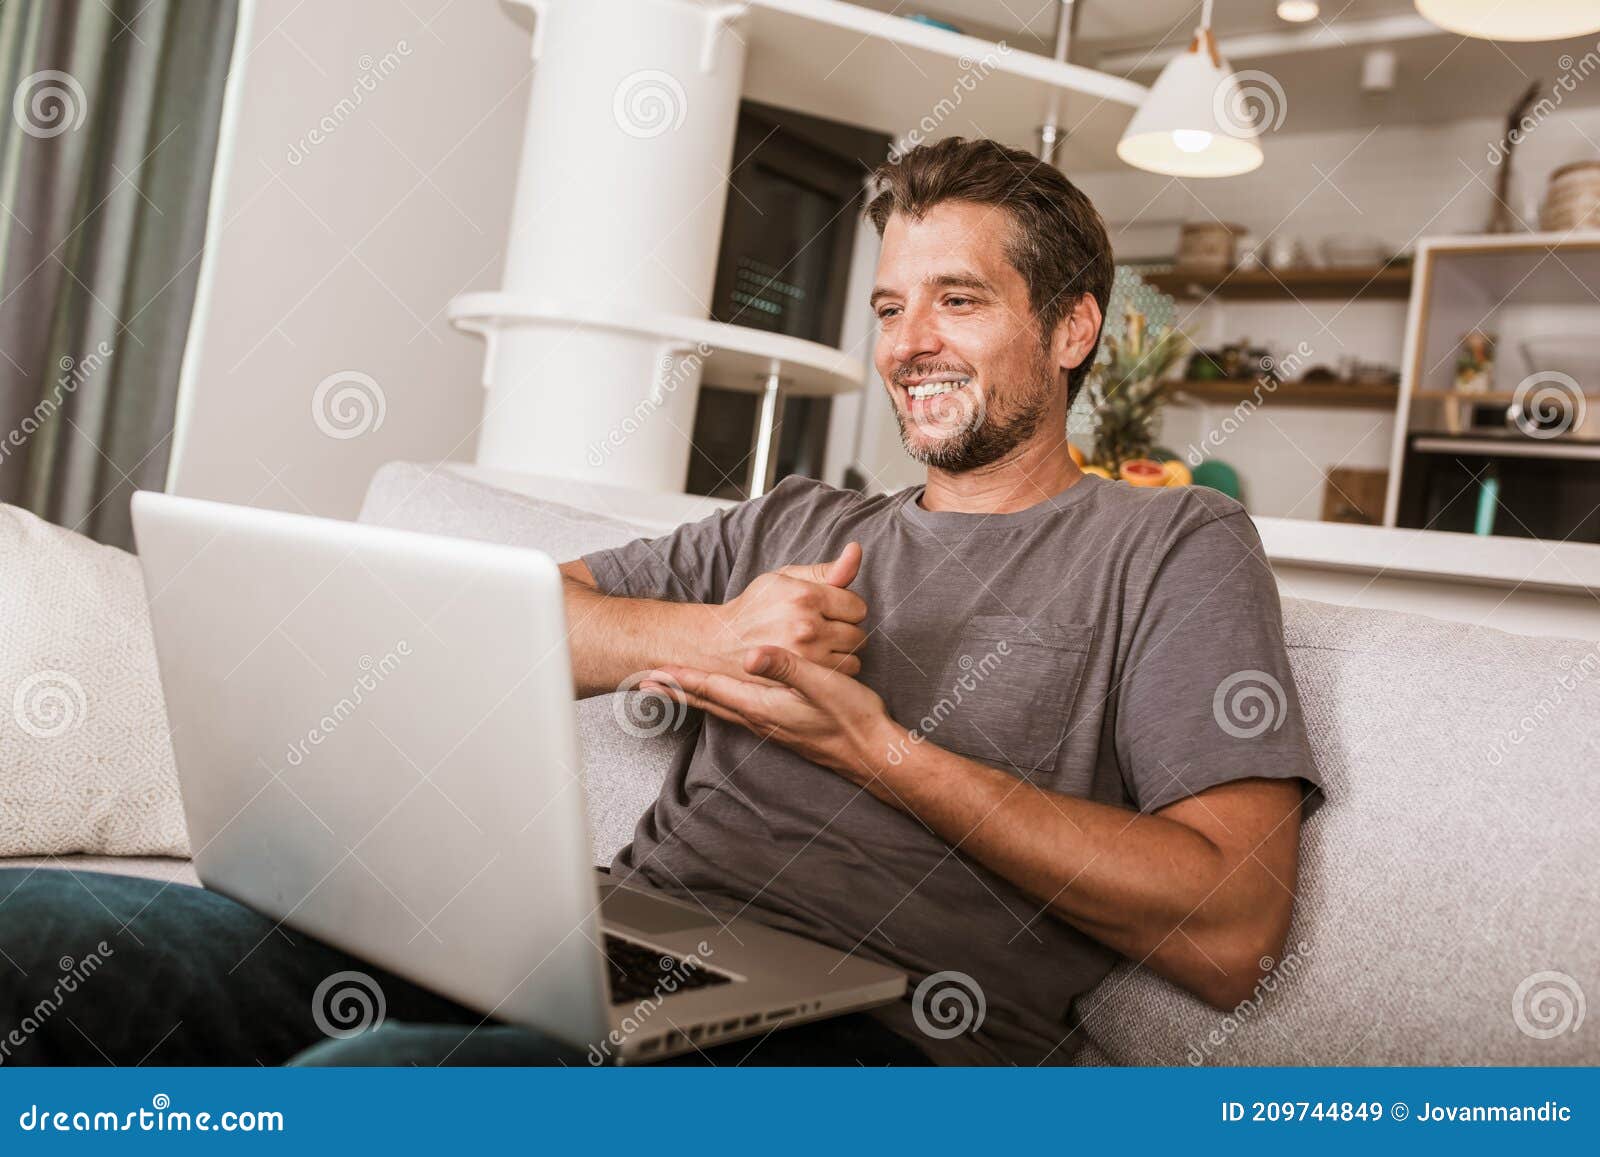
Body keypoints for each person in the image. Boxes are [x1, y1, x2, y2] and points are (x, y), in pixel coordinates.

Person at [0, 137, 1320, 1067]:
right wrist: (716, 632)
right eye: (891, 305)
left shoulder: (1170, 544)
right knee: (41, 932)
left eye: (959, 301)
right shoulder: (801, 522)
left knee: (380, 1092)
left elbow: (1232, 928)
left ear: (1073, 328)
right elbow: (507, 618)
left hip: (880, 1042)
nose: (908, 342)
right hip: (601, 945)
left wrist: (875, 746)